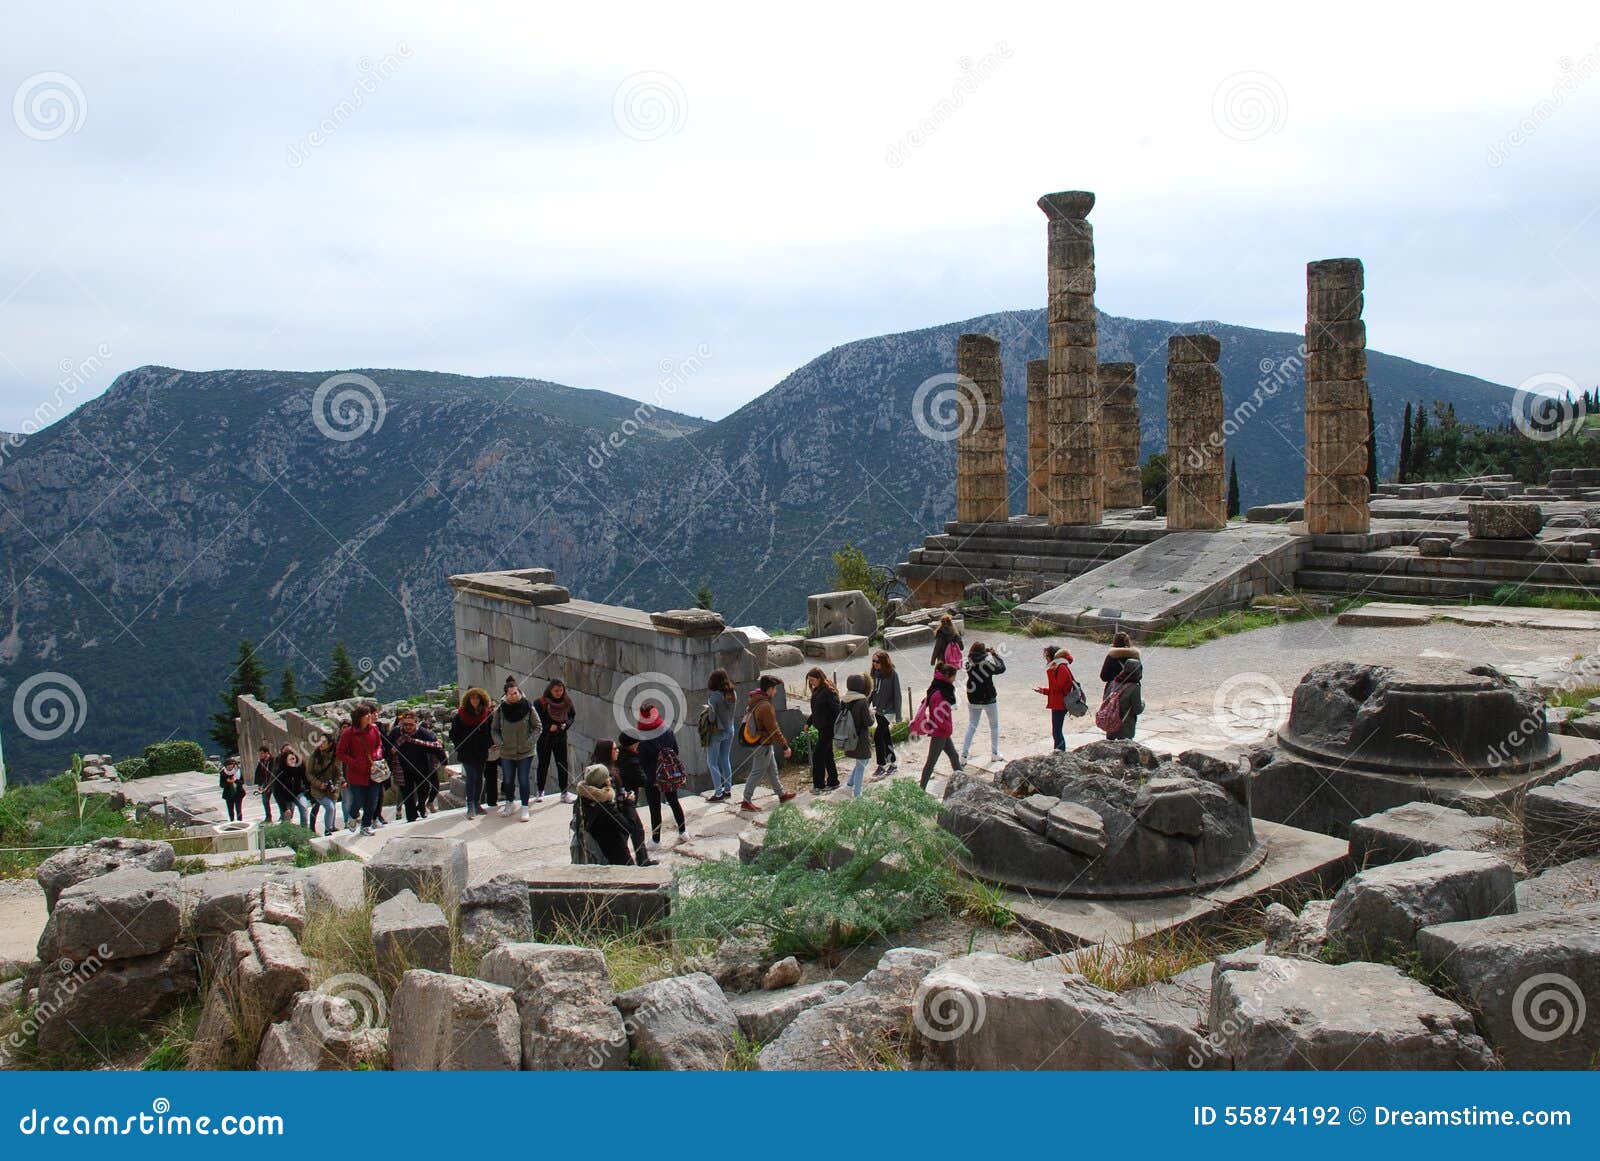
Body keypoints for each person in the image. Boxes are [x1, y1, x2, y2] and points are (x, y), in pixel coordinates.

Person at [590, 738, 655, 866]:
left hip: (622, 805)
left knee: (637, 830)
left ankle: (643, 859)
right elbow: (609, 797)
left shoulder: (611, 766)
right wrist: (626, 799)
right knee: (623, 843)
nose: (617, 750)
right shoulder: (602, 774)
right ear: (607, 752)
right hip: (614, 814)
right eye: (614, 749)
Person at [740, 675, 796, 813]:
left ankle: (781, 795)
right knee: (757, 772)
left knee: (772, 770)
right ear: (770, 689)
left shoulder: (756, 700)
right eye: (775, 689)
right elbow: (774, 729)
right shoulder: (765, 706)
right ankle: (746, 801)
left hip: (761, 742)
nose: (776, 692)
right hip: (763, 743)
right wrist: (785, 746)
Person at [637, 703, 687, 844]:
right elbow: (675, 751)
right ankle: (683, 831)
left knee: (655, 808)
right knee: (674, 802)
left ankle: (656, 839)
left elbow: (641, 760)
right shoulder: (667, 731)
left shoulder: (643, 737)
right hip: (668, 775)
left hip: (652, 777)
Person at [492, 678, 541, 821]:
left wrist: (529, 742)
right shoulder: (500, 710)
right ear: (506, 695)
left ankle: (525, 807)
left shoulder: (528, 707)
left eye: (515, 693)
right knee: (508, 779)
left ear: (519, 692)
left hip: (525, 751)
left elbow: (538, 726)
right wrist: (500, 743)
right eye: (510, 694)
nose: (513, 696)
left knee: (523, 779)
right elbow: (494, 729)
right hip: (507, 751)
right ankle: (509, 802)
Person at [335, 702, 387, 835]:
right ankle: (352, 815)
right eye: (366, 714)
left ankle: (366, 825)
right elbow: (340, 753)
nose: (370, 716)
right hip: (356, 774)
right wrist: (354, 762)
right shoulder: (348, 734)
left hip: (373, 771)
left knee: (372, 800)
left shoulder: (374, 729)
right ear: (359, 717)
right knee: (358, 800)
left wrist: (377, 755)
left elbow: (379, 745)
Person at [389, 709, 446, 822]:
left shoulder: (425, 733)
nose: (408, 727)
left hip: (422, 767)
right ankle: (411, 816)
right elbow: (387, 746)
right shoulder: (396, 733)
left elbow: (437, 747)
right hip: (403, 768)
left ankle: (421, 806)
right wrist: (390, 753)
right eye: (405, 724)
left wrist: (444, 762)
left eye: (411, 724)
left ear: (416, 723)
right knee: (407, 794)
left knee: (424, 790)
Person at [572, 764, 635, 866]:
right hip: (614, 857)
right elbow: (629, 827)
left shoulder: (581, 799)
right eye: (607, 777)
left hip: (595, 855)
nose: (610, 779)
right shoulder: (605, 806)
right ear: (603, 782)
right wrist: (629, 804)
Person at [449, 687, 497, 818]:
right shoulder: (460, 715)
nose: (474, 700)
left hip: (480, 751)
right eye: (472, 698)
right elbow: (453, 734)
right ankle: (470, 804)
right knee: (471, 777)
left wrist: (490, 743)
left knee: (480, 777)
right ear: (468, 700)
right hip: (466, 752)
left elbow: (490, 731)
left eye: (477, 698)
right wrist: (460, 746)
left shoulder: (487, 714)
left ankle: (476, 803)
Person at [917, 663, 964, 789]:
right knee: (931, 763)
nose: (955, 679)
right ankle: (921, 790)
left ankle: (964, 783)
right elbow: (939, 718)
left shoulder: (937, 688)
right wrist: (948, 728)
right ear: (948, 676)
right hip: (940, 732)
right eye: (954, 676)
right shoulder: (940, 693)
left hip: (942, 732)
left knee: (954, 756)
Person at [961, 641, 1007, 766]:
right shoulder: (986, 664)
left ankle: (964, 755)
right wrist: (994, 654)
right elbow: (1001, 668)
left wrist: (985, 652)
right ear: (983, 653)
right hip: (989, 699)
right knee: (994, 727)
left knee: (972, 726)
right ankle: (994, 753)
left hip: (974, 699)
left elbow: (975, 658)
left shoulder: (968, 664)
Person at [534, 679, 576, 803]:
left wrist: (566, 724)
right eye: (556, 691)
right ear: (550, 690)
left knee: (562, 764)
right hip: (545, 738)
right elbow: (536, 720)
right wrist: (548, 727)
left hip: (560, 737)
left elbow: (572, 715)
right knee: (543, 764)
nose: (558, 693)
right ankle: (540, 790)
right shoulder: (540, 703)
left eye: (561, 690)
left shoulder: (566, 701)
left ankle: (564, 792)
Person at [803, 667, 841, 793]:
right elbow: (816, 711)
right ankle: (833, 781)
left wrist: (834, 725)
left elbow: (836, 710)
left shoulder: (828, 691)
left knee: (818, 756)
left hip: (828, 728)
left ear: (819, 678)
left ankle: (819, 785)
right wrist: (809, 722)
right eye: (810, 681)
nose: (811, 683)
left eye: (813, 680)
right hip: (822, 728)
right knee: (827, 755)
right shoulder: (818, 690)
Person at [1035, 645, 1078, 752]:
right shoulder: (1058, 667)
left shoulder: (1060, 667)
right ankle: (1058, 750)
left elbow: (1059, 687)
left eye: (1047, 655)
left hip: (1060, 704)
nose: (1045, 658)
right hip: (1058, 702)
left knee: (1057, 731)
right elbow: (1056, 689)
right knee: (1056, 731)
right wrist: (1044, 691)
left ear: (1052, 656)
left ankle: (1060, 751)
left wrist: (1050, 671)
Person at [704, 669, 738, 802]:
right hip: (730, 729)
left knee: (712, 762)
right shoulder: (733, 693)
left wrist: (707, 710)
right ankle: (728, 789)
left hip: (717, 732)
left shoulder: (714, 697)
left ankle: (718, 793)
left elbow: (712, 719)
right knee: (725, 759)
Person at [840, 673, 874, 796]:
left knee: (861, 762)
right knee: (862, 765)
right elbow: (868, 722)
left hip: (849, 737)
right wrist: (872, 713)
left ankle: (849, 784)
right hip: (861, 738)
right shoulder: (861, 701)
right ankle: (857, 794)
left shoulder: (844, 700)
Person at [868, 650, 901, 779]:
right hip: (878, 710)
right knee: (886, 737)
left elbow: (897, 695)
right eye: (873, 661)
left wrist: (898, 715)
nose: (875, 664)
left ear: (883, 661)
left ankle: (881, 765)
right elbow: (872, 691)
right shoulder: (874, 674)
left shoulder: (893, 674)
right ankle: (893, 764)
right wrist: (867, 704)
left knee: (878, 735)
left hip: (889, 710)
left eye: (877, 661)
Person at [305, 733, 341, 836]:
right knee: (329, 807)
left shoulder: (335, 756)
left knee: (332, 808)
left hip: (331, 789)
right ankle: (327, 830)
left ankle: (330, 827)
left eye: (324, 742)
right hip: (318, 789)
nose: (321, 744)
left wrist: (335, 785)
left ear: (329, 744)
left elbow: (339, 774)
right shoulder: (315, 756)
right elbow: (309, 773)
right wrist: (319, 784)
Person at [271, 744, 311, 827]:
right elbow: (276, 791)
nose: (292, 761)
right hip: (285, 796)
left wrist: (310, 795)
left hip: (298, 793)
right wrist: (284, 808)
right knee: (287, 816)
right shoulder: (279, 771)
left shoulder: (299, 767)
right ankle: (286, 832)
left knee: (303, 808)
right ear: (285, 760)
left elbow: (306, 780)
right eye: (290, 759)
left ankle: (305, 830)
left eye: (293, 758)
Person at [1105, 656, 1145, 740]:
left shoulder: (1112, 683)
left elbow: (1105, 699)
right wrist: (1143, 703)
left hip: (1110, 724)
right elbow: (1137, 709)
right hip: (1125, 727)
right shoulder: (1134, 688)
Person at [1101, 632, 1142, 698]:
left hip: (1113, 690)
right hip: (1131, 691)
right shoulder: (1135, 656)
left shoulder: (1111, 656)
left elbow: (1103, 676)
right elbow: (1139, 676)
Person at [218, 756, 246, 822]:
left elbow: (242, 782)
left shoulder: (238, 771)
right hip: (228, 794)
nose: (230, 767)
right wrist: (227, 782)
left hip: (238, 793)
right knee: (230, 809)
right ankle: (232, 821)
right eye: (228, 766)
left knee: (238, 808)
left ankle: (240, 821)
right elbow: (221, 785)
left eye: (231, 766)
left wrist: (235, 780)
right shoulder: (223, 773)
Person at [253, 745, 275, 822]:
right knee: (265, 801)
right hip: (265, 784)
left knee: (279, 800)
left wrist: (270, 784)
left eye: (262, 753)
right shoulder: (261, 762)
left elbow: (274, 773)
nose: (260, 755)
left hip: (274, 784)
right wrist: (259, 784)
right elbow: (258, 773)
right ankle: (268, 817)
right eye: (260, 753)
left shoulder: (273, 760)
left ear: (267, 753)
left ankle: (283, 816)